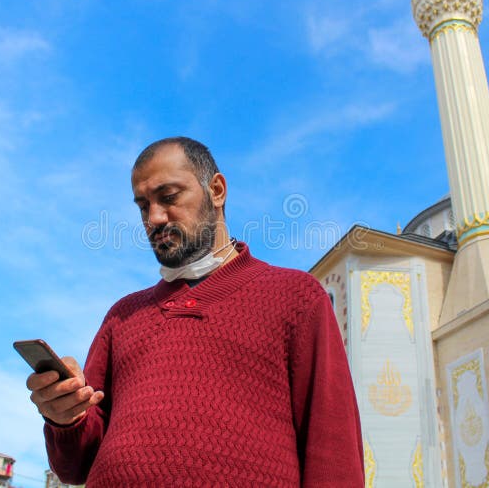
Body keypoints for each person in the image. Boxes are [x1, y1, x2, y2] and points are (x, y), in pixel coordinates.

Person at [26, 137, 364, 486]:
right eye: (143, 206)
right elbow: (75, 465)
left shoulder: (297, 297)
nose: (154, 218)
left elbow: (333, 449)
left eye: (168, 197)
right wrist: (64, 417)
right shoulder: (121, 315)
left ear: (216, 190)